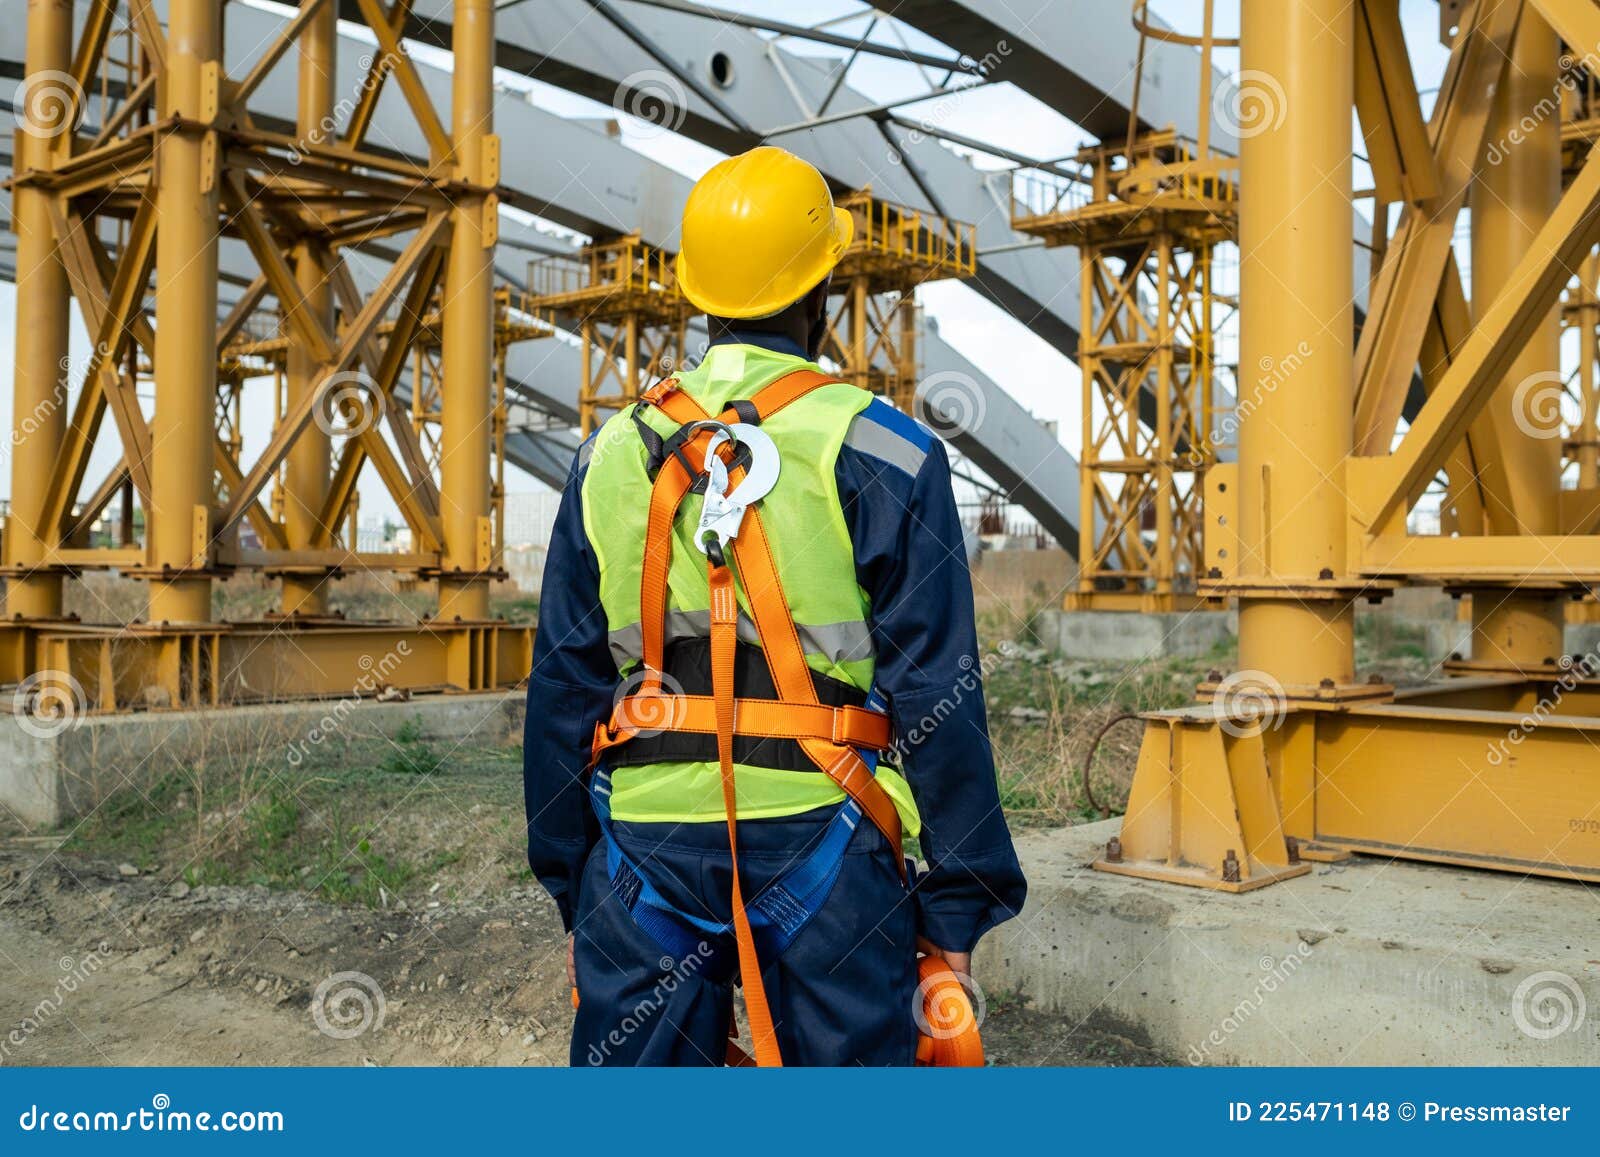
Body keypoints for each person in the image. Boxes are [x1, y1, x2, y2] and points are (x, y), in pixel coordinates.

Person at [524, 145, 1026, 1066]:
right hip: (827, 844)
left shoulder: (607, 457)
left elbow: (562, 686)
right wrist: (959, 900)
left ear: (698, 294)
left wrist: (574, 882)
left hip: (642, 854)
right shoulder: (887, 449)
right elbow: (940, 690)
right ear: (823, 289)